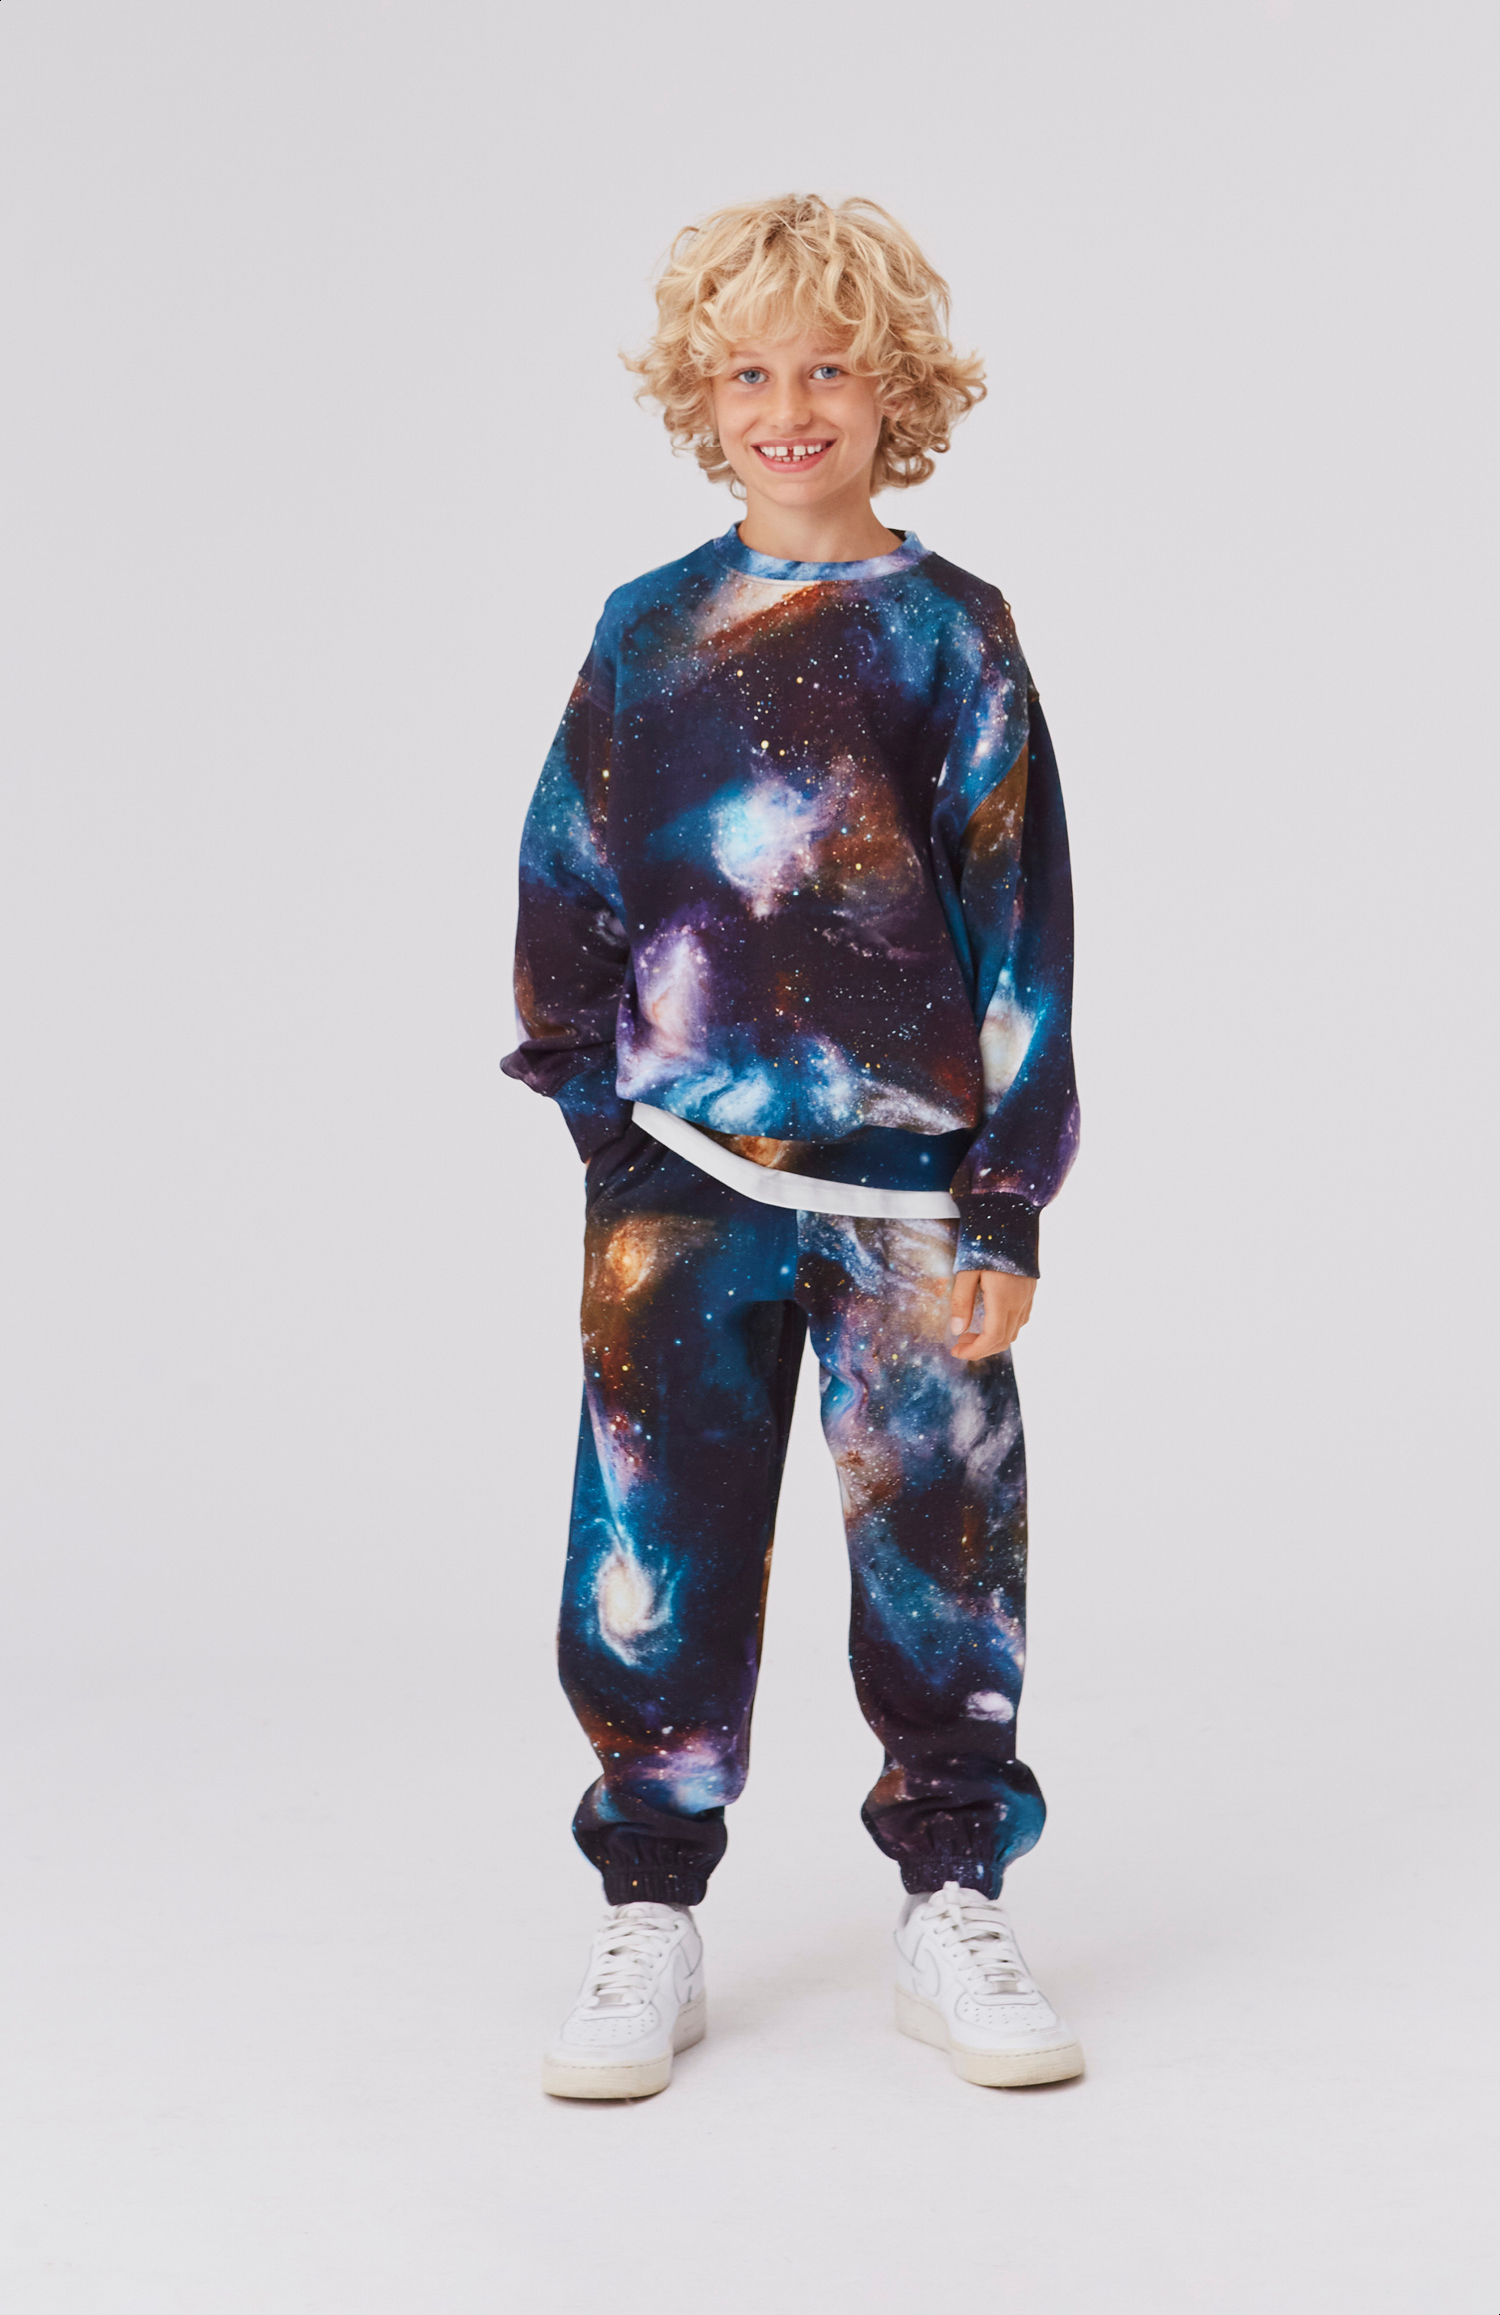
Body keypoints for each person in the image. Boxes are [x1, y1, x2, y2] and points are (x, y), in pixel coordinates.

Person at [503, 194, 1082, 2098]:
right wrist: (604, 1122)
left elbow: (1019, 921)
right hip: (681, 1180)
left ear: (895, 385)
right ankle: (648, 1911)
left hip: (910, 1192)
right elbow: (571, 878)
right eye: (748, 371)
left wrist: (1005, 1194)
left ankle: (953, 1896)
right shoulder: (648, 631)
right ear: (700, 394)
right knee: (653, 1548)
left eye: (828, 366)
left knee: (944, 1552)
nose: (788, 406)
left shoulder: (951, 633)